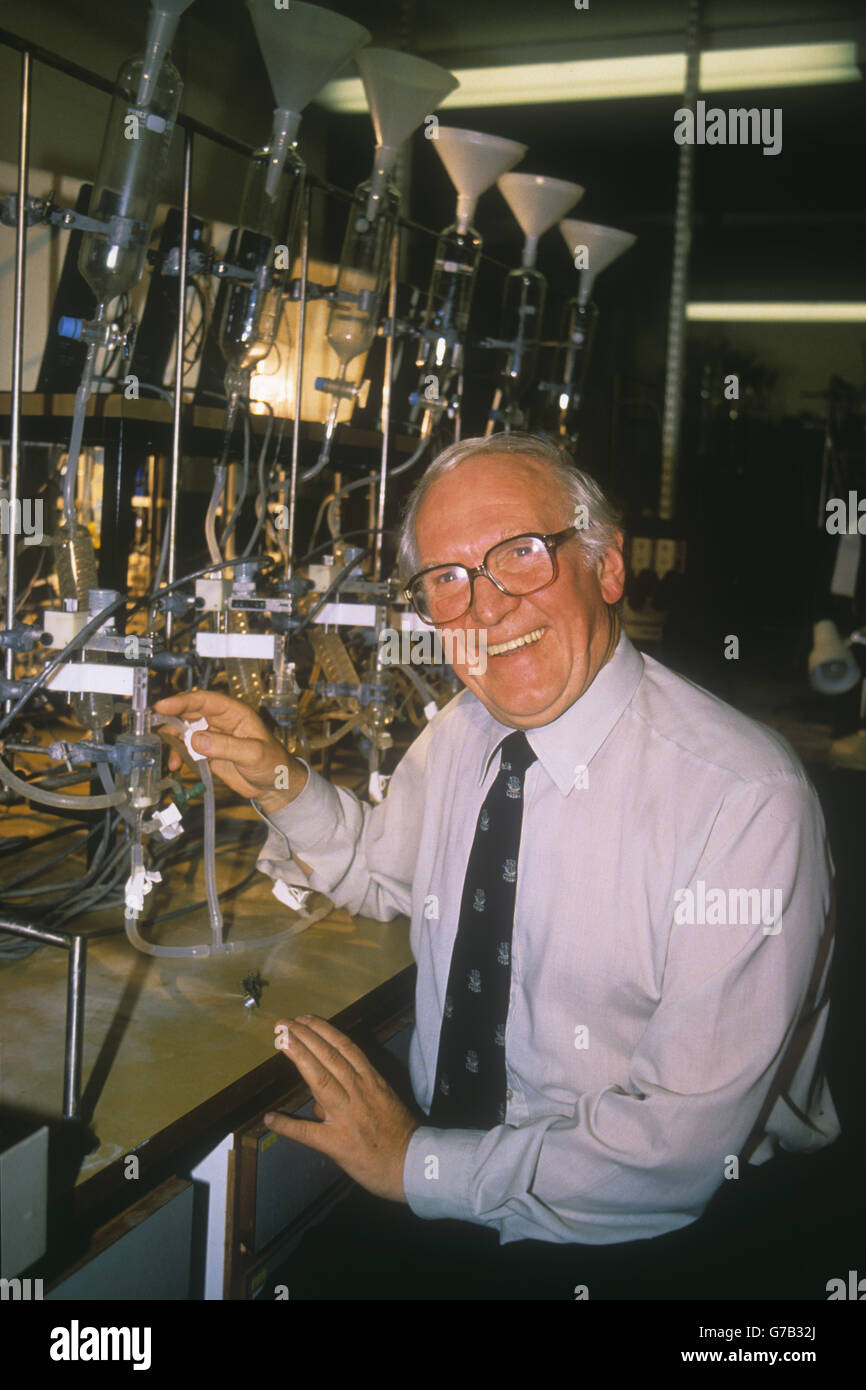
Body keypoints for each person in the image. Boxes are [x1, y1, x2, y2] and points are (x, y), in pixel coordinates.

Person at [154, 432, 839, 1300]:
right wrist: (278, 779)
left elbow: (675, 1153)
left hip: (657, 1239)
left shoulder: (742, 799)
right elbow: (380, 870)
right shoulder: (466, 732)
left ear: (609, 567)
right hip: (456, 1185)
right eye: (447, 579)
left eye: (520, 554)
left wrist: (412, 1166)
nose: (486, 609)